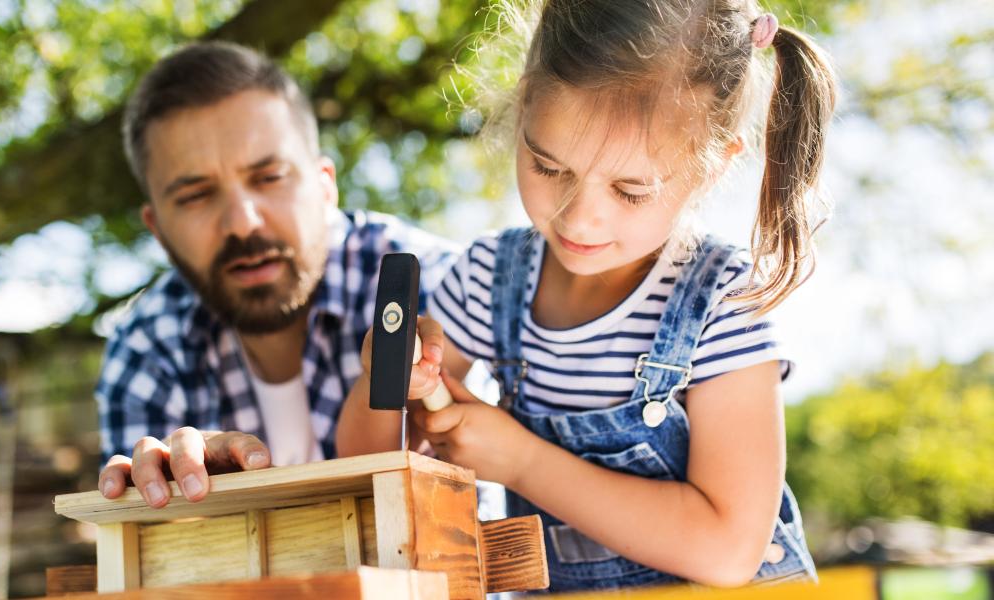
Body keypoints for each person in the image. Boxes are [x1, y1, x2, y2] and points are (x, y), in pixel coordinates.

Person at [337, 0, 836, 592]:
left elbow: (727, 550)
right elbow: (364, 469)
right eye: (549, 168)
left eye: (629, 191)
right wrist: (390, 381)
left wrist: (521, 460)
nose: (579, 219)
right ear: (525, 106)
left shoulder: (722, 304)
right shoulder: (486, 277)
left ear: (711, 166)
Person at [96, 41, 456, 509]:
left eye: (269, 177)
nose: (243, 222)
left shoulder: (438, 286)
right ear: (158, 229)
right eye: (196, 196)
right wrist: (196, 501)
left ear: (325, 186)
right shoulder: (146, 351)